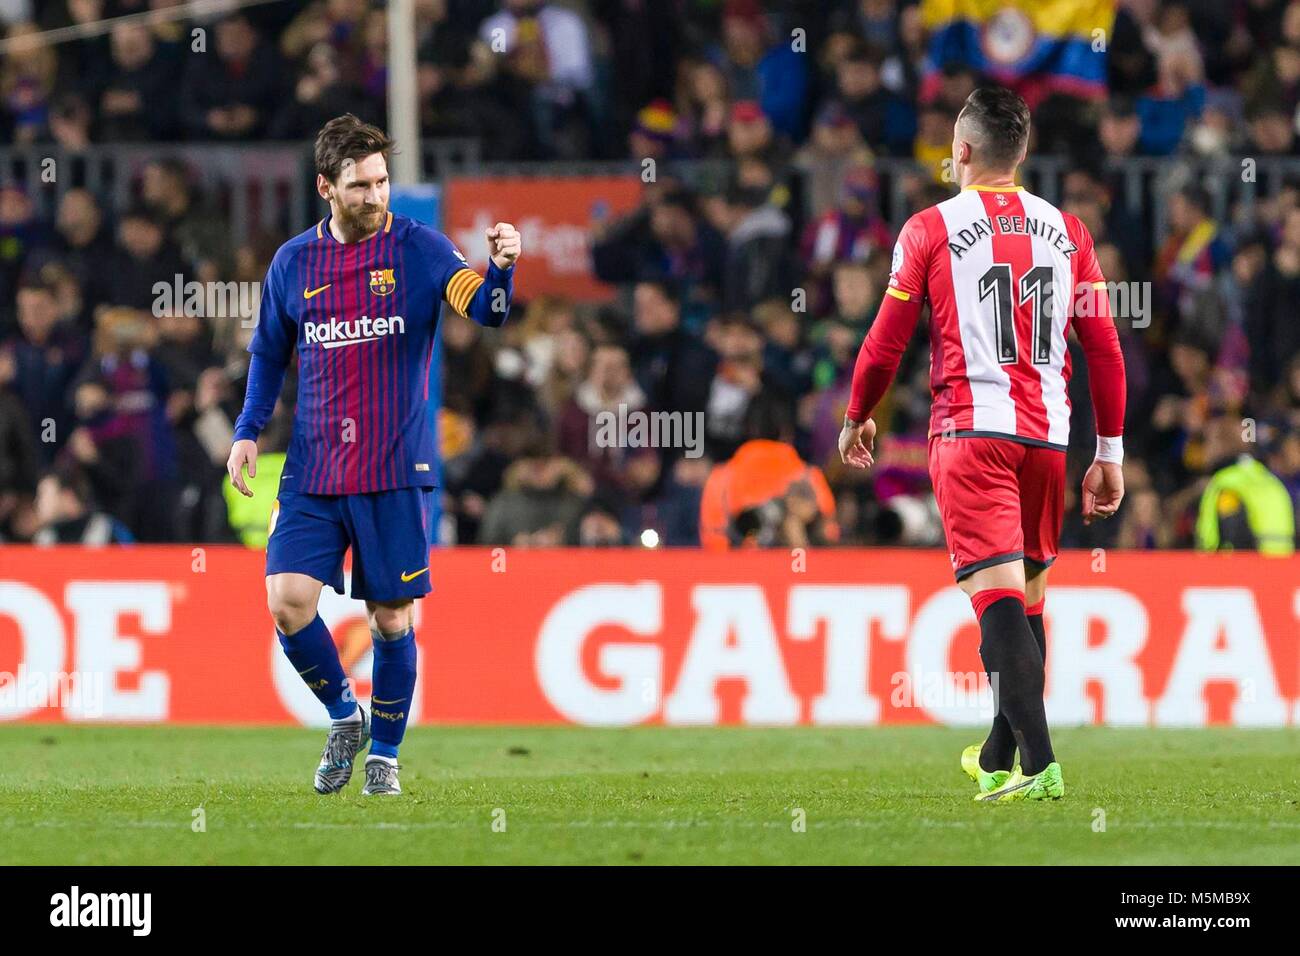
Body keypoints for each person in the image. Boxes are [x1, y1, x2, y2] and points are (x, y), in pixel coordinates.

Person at [838, 87, 1127, 802]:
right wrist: (1110, 453)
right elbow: (1106, 349)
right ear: (1021, 157)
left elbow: (884, 343)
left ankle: (1042, 765)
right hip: (1047, 438)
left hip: (971, 434)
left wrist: (857, 414)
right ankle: (998, 755)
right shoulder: (1070, 232)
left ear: (960, 152)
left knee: (996, 608)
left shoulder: (928, 229)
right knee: (1027, 602)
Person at [226, 114, 520, 796]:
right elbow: (270, 351)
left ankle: (384, 757)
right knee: (287, 600)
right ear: (326, 186)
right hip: (315, 464)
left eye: (382, 182)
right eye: (360, 186)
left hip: (393, 464)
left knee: (391, 618)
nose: (376, 196)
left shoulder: (420, 248)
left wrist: (500, 268)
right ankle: (343, 716)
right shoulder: (293, 262)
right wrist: (248, 429)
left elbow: (486, 311)